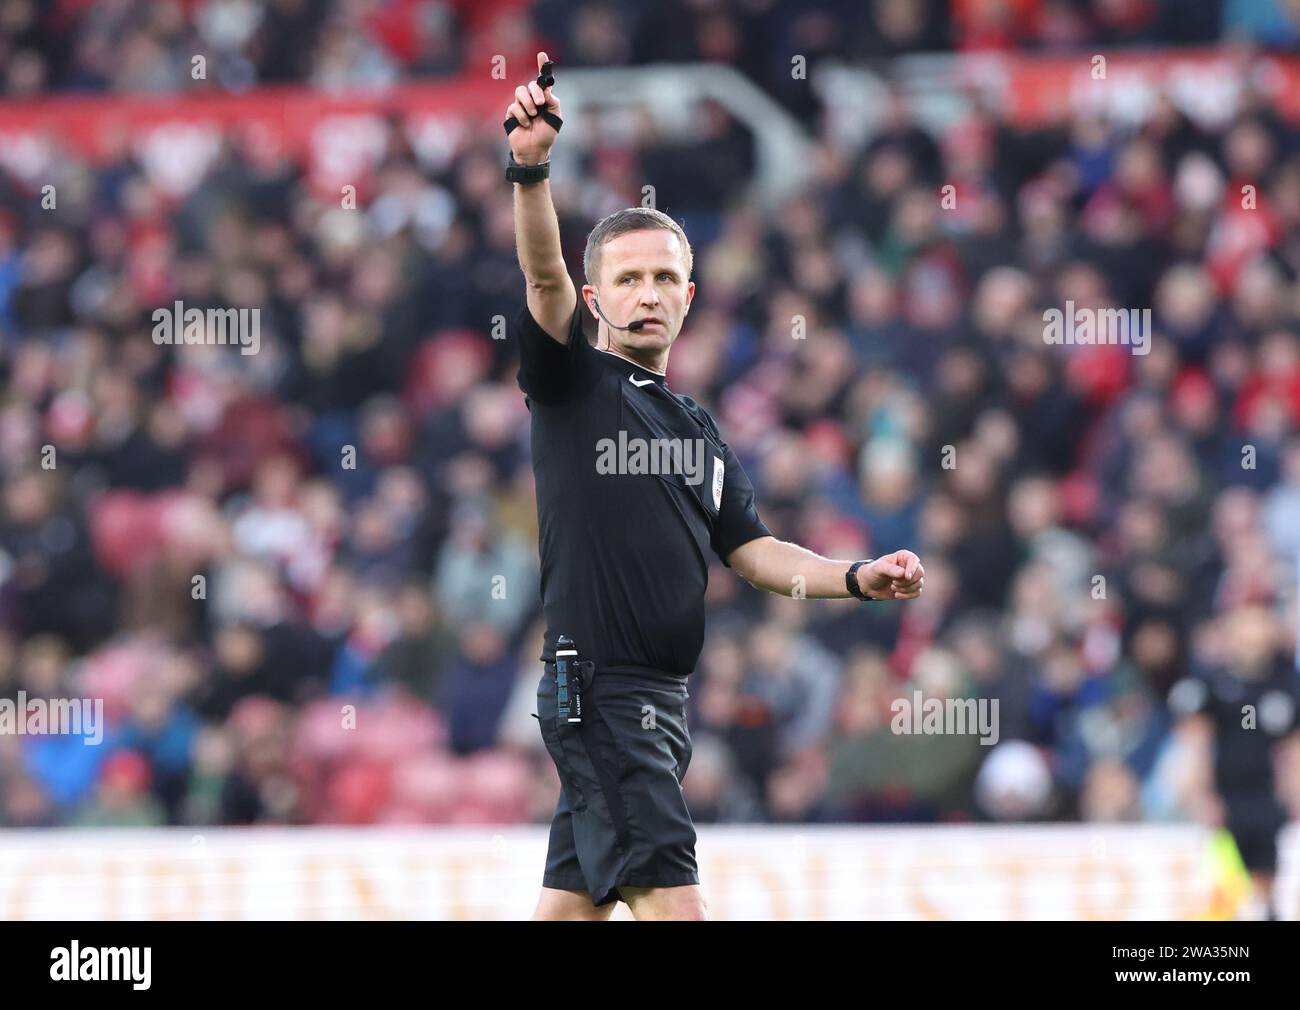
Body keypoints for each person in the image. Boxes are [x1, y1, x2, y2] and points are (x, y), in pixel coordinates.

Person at [505, 51, 926, 921]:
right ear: (595, 300)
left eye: (664, 278)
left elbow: (756, 552)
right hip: (604, 692)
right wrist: (532, 166)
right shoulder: (574, 387)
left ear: (691, 297)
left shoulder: (697, 428)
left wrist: (854, 577)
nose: (648, 294)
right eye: (628, 279)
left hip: (654, 702)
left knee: (571, 908)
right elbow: (542, 274)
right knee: (676, 909)